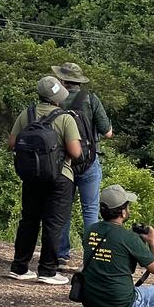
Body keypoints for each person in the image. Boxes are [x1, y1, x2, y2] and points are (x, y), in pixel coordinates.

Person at [6, 75, 82, 284]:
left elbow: (11, 143)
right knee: (53, 223)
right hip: (60, 177)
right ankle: (47, 271)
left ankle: (19, 267)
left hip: (31, 176)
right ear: (57, 97)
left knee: (29, 221)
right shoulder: (65, 118)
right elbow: (75, 152)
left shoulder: (26, 114)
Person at [54, 62, 114, 271]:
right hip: (89, 161)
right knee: (91, 210)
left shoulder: (56, 100)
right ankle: (92, 257)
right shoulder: (91, 98)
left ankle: (61, 256)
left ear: (62, 80)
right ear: (79, 81)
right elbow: (107, 132)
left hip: (64, 163)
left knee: (63, 209)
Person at [80, 185, 154, 307]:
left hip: (92, 305)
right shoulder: (128, 237)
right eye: (127, 206)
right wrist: (153, 243)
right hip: (122, 306)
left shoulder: (89, 231)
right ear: (123, 212)